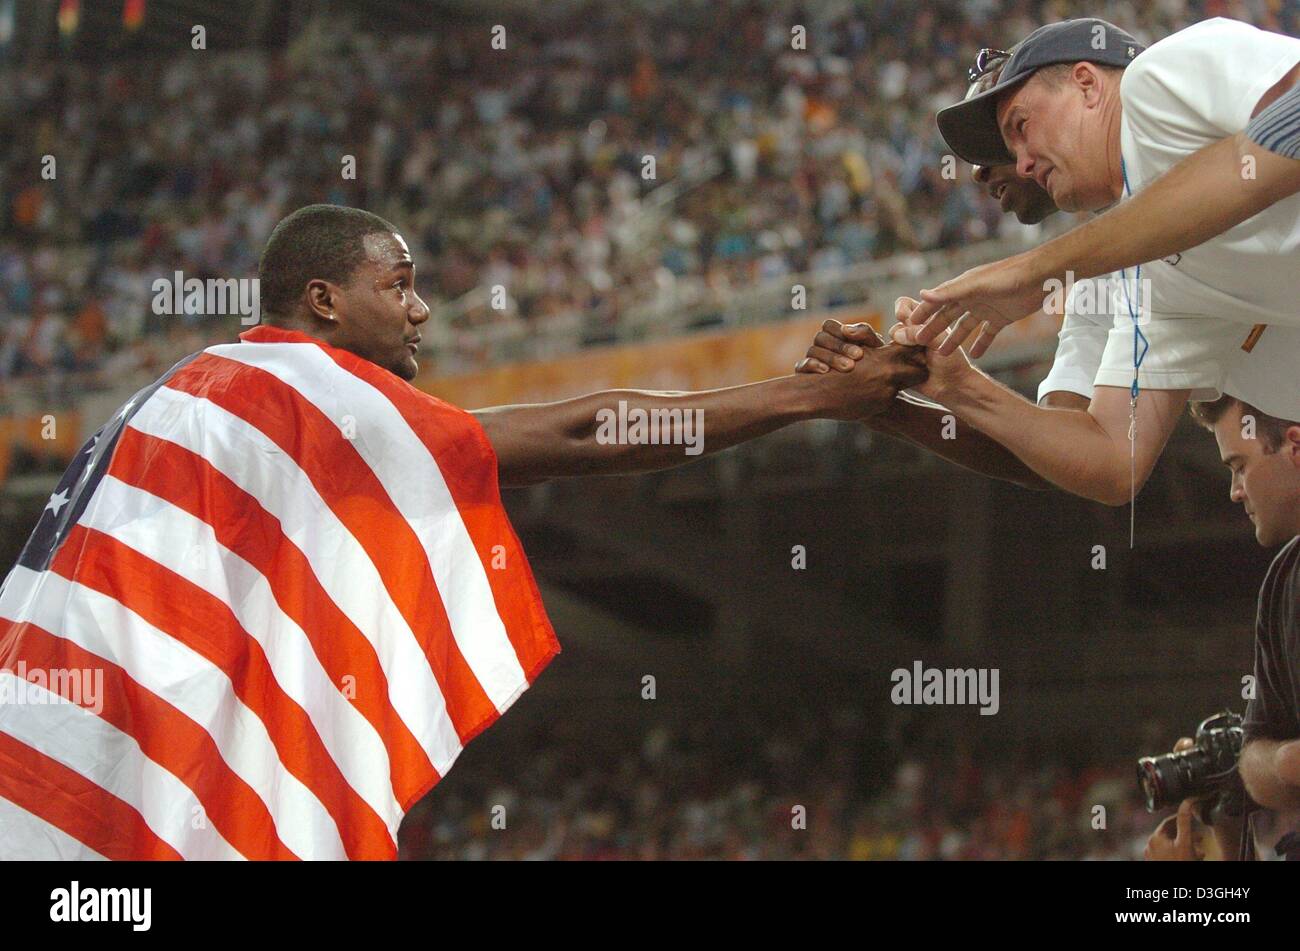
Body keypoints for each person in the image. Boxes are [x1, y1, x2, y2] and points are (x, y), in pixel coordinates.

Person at [0, 204, 926, 860]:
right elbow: (582, 433)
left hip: (46, 763)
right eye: (397, 285)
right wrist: (810, 395)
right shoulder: (295, 386)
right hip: (90, 786)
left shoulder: (181, 387)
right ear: (322, 301)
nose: (421, 309)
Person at [877, 17, 1300, 506]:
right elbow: (1112, 462)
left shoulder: (1155, 81)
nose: (1023, 164)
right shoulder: (1148, 284)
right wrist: (957, 386)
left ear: (1086, 83)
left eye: (1021, 126)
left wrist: (1035, 272)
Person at [1146, 394, 1300, 860]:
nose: (1234, 490)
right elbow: (1258, 755)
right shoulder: (1285, 577)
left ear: (1294, 446)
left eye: (1239, 465)